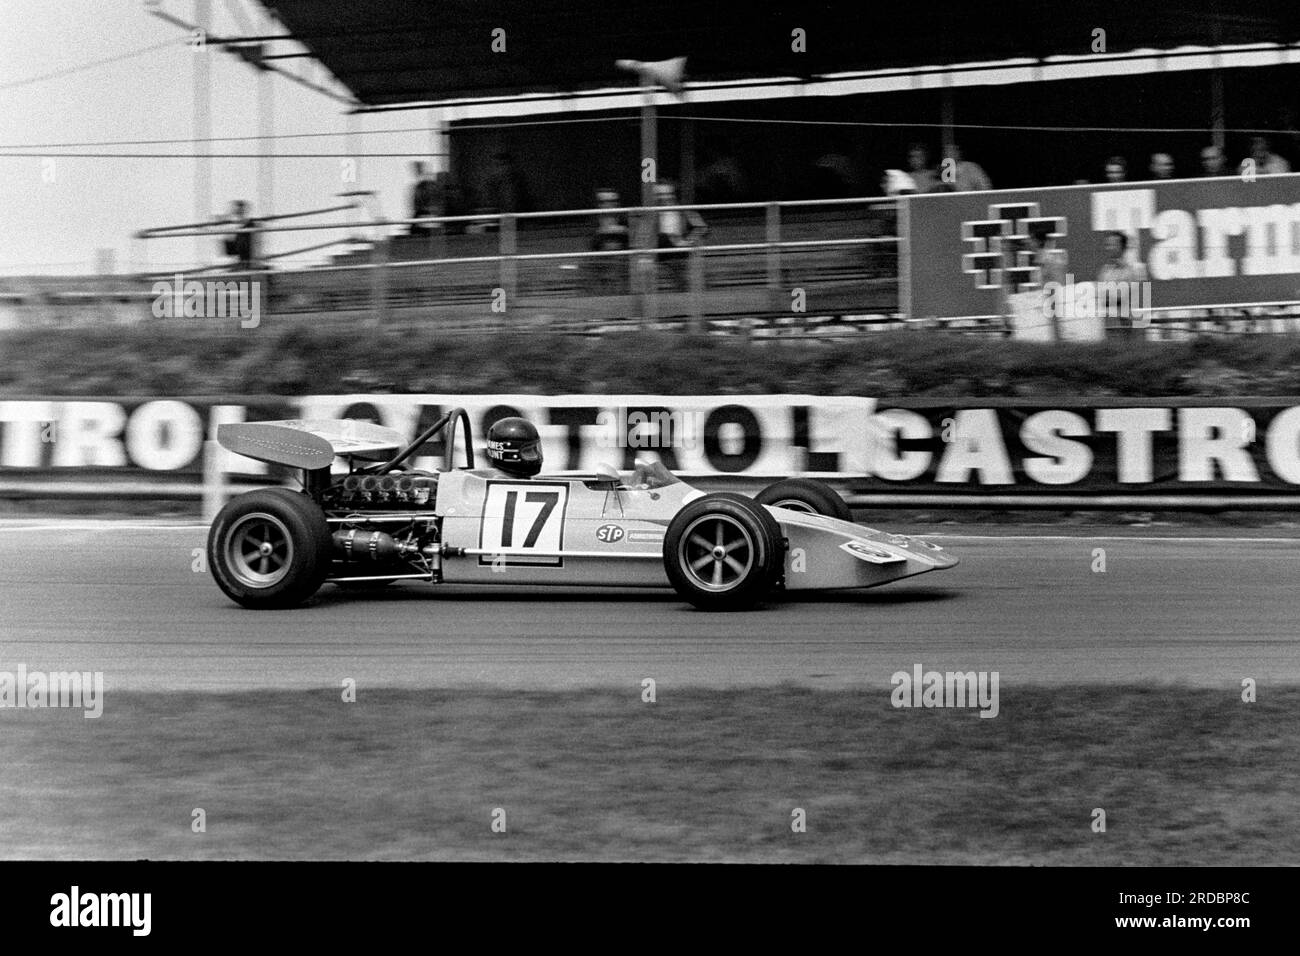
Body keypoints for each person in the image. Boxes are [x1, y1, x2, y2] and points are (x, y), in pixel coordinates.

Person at [653, 180, 707, 291]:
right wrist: (672, 239)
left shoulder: (684, 211)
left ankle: (682, 289)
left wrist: (688, 241)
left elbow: (703, 228)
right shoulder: (652, 213)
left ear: (673, 194)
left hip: (681, 252)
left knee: (680, 265)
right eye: (660, 195)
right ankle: (681, 289)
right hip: (660, 252)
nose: (664, 198)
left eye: (667, 194)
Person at [1097, 231, 1149, 337]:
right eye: (1107, 245)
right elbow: (1101, 296)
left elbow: (1122, 297)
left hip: (1124, 323)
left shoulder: (1131, 270)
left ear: (1122, 247)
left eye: (1113, 245)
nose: (1109, 248)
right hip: (1107, 324)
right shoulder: (1105, 271)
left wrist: (1107, 295)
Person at [589, 188, 629, 293]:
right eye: (603, 202)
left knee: (618, 260)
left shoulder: (623, 218)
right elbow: (593, 243)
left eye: (611, 202)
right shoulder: (595, 220)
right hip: (601, 256)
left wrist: (619, 230)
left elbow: (630, 239)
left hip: (621, 256)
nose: (608, 205)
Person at [220, 200, 260, 271]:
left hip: (249, 262)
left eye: (241, 209)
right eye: (237, 209)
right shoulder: (236, 228)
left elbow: (255, 246)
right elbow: (230, 250)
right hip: (242, 262)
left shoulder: (251, 225)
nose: (239, 211)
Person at [409, 161, 444, 237]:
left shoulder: (429, 186)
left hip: (429, 219)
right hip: (424, 219)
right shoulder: (419, 186)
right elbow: (415, 205)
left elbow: (437, 204)